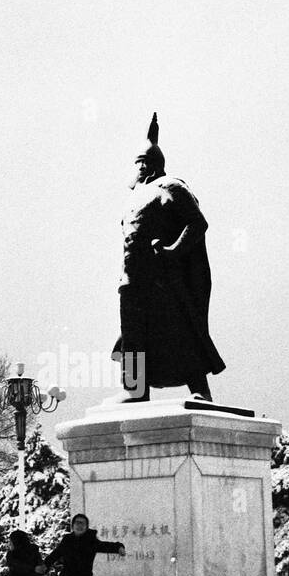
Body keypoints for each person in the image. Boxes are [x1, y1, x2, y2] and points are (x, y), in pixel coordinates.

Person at [111, 112, 225, 402]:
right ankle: (136, 391)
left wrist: (174, 250)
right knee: (133, 336)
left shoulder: (170, 186)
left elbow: (198, 223)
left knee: (179, 331)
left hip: (161, 278)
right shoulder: (133, 198)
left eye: (141, 162)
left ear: (151, 164)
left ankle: (200, 390)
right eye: (136, 162)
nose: (136, 168)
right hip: (132, 280)